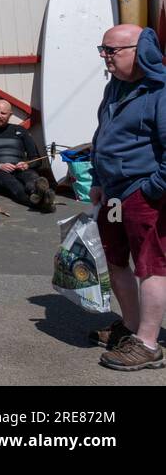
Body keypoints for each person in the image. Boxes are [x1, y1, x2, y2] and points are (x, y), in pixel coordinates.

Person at [86, 24, 166, 371]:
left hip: (142, 195)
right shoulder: (115, 87)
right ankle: (130, 326)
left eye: (111, 51)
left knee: (150, 267)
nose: (105, 58)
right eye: (102, 50)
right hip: (114, 195)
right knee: (116, 260)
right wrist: (99, 178)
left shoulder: (161, 92)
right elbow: (103, 133)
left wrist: (151, 189)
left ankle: (148, 344)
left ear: (140, 50)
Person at [0, 99, 53, 212]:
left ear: (10, 115)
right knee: (14, 186)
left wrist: (27, 164)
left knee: (32, 179)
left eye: (3, 113)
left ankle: (40, 193)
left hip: (20, 168)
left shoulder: (20, 131)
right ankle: (41, 203)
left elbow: (37, 159)